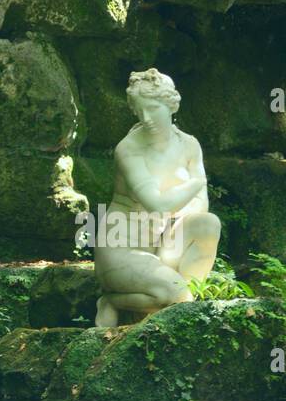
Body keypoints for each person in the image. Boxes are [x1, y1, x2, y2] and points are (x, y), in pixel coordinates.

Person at [94, 68, 221, 328]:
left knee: (209, 224)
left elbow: (200, 205)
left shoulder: (189, 145)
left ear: (171, 105)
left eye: (153, 109)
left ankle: (149, 300)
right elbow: (157, 204)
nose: (146, 118)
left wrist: (175, 227)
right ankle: (115, 300)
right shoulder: (128, 148)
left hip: (162, 243)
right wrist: (197, 182)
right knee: (178, 296)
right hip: (122, 247)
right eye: (139, 111)